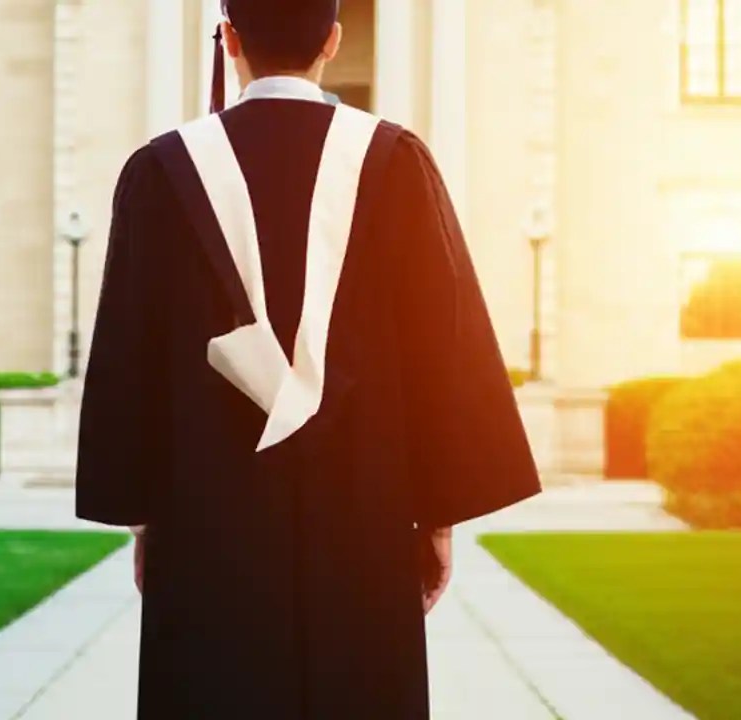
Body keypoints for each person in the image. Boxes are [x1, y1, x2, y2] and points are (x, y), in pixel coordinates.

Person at [75, 1, 541, 717]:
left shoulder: (162, 171)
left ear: (230, 39)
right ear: (333, 41)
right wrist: (438, 516)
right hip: (363, 520)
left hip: (206, 523)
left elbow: (128, 358)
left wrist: (143, 516)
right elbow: (443, 345)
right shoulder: (396, 162)